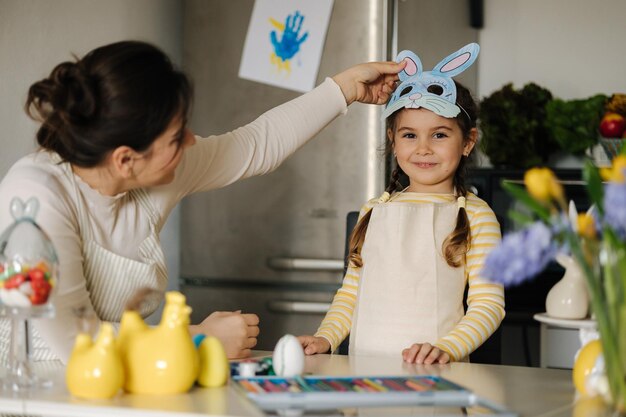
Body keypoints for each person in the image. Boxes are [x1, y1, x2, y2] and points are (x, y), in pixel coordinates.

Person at [0, 40, 405, 364]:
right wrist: (195, 339)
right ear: (125, 158)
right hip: (32, 396)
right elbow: (70, 343)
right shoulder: (36, 195)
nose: (191, 142)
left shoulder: (150, 171)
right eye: (177, 137)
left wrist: (346, 88)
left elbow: (254, 144)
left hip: (107, 384)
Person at [298, 44, 505, 364]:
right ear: (393, 141)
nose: (423, 149)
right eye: (410, 135)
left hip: (435, 379)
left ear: (467, 141)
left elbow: (489, 304)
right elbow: (351, 295)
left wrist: (447, 348)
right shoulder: (373, 210)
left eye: (439, 135)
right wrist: (325, 337)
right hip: (364, 378)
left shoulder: (477, 216)